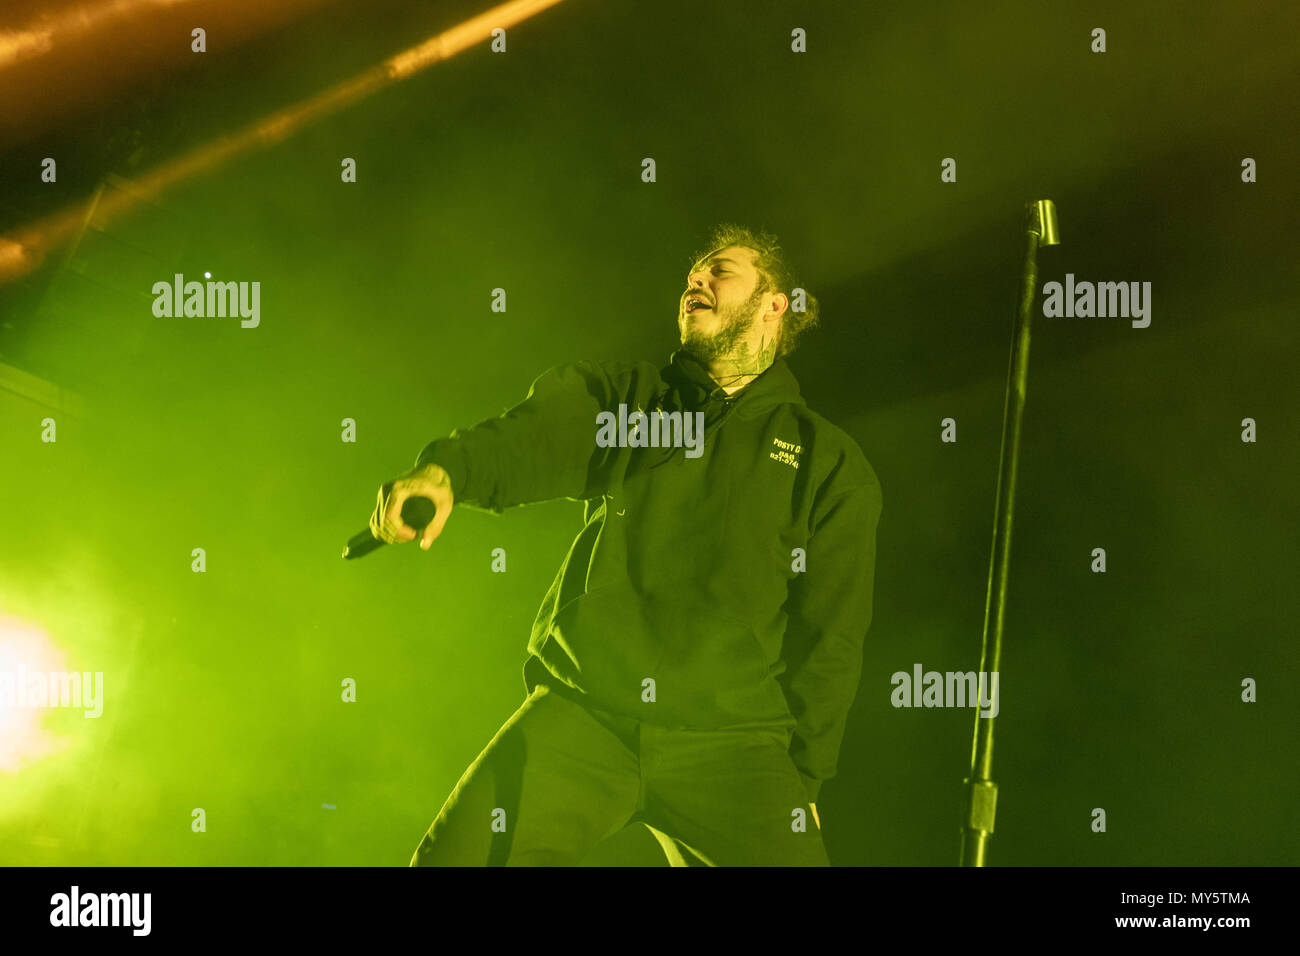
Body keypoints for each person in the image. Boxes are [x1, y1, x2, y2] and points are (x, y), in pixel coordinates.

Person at [373, 224, 882, 865]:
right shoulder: (632, 403)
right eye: (691, 274)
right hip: (588, 714)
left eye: (718, 270)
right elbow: (532, 437)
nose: (695, 281)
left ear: (775, 303)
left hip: (734, 745)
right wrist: (445, 474)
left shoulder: (826, 460)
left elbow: (832, 634)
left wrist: (804, 777)